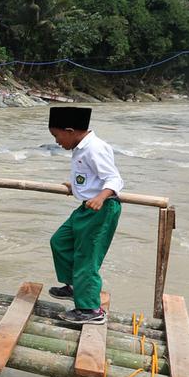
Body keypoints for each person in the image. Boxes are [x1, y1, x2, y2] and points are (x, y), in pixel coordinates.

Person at [47, 107, 124, 325]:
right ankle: (74, 286)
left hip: (102, 209)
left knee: (86, 258)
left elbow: (114, 179)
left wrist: (100, 197)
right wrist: (78, 188)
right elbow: (92, 176)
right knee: (60, 242)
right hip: (87, 206)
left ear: (70, 131)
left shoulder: (95, 149)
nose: (57, 141)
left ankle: (90, 309)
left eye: (57, 136)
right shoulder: (81, 147)